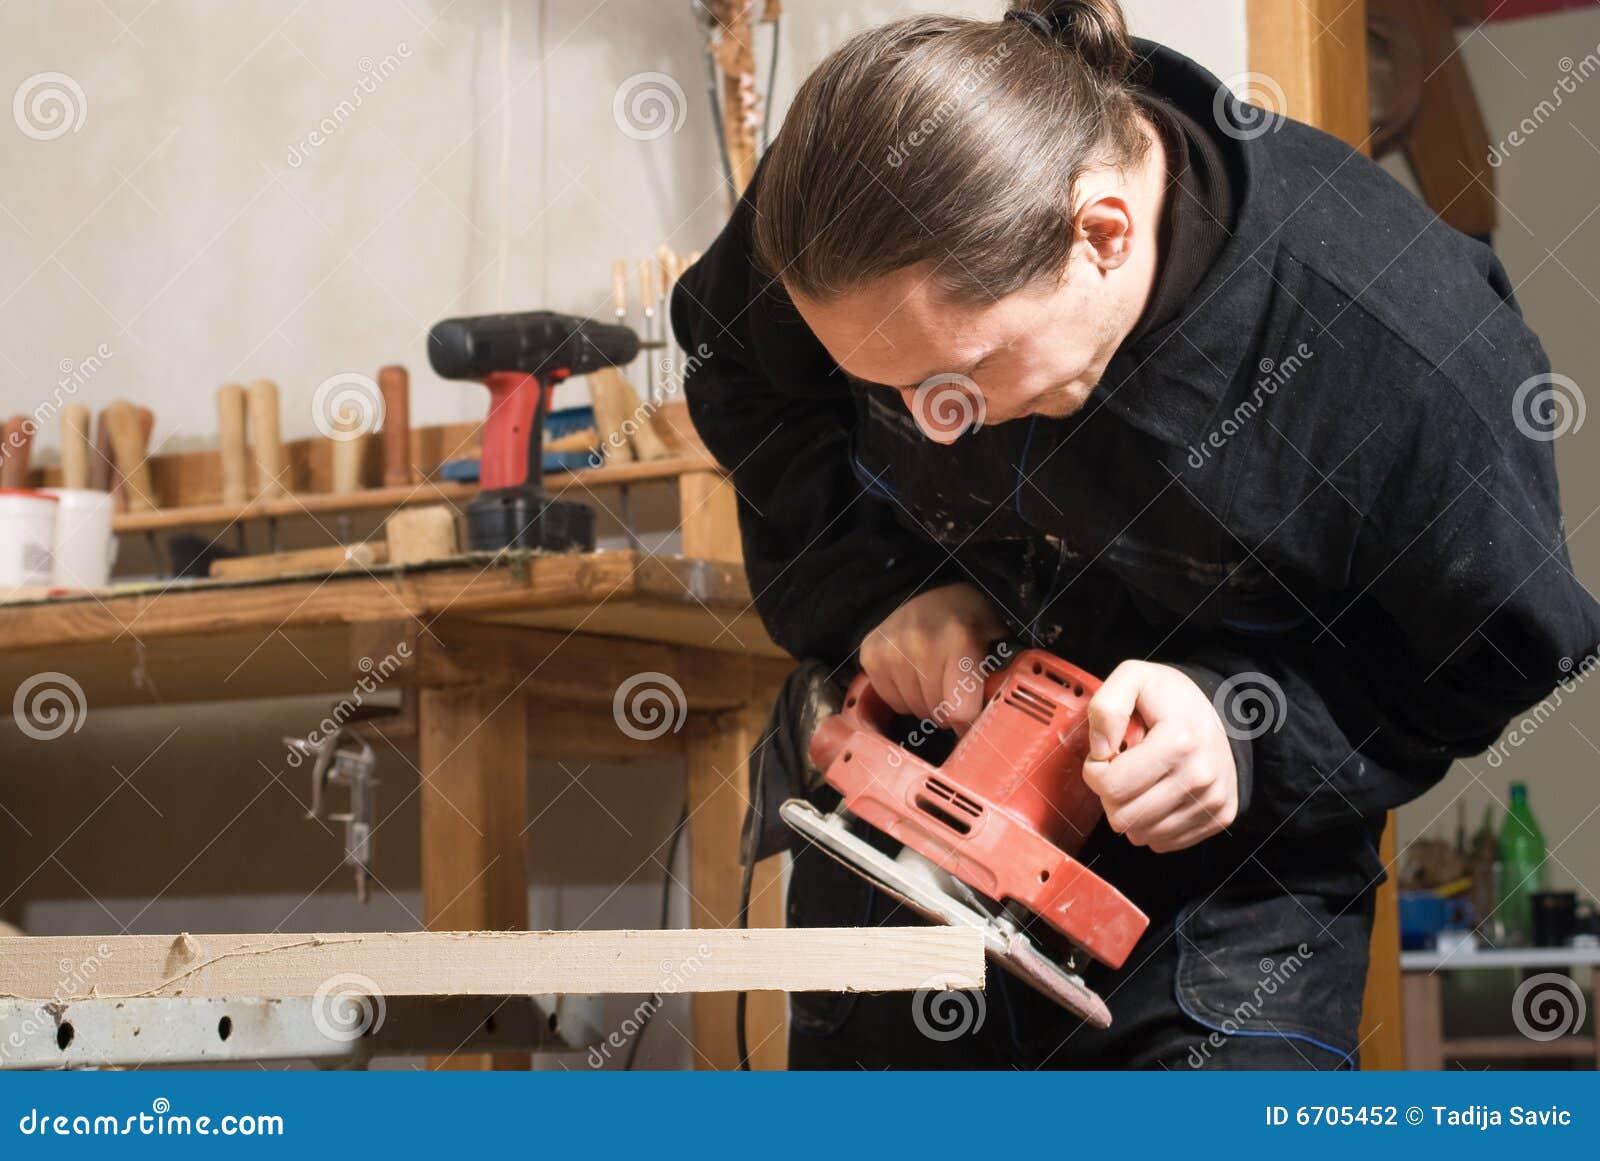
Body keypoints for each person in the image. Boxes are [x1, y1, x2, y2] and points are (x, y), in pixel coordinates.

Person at [671, 0, 1600, 1068]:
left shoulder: (1395, 343)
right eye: (883, 392)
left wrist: (1248, 729)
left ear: (1102, 235)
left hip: (1218, 900)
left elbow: (1495, 650)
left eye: (957, 383)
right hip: (911, 814)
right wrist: (877, 589)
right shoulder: (853, 208)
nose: (928, 424)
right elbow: (737, 372)